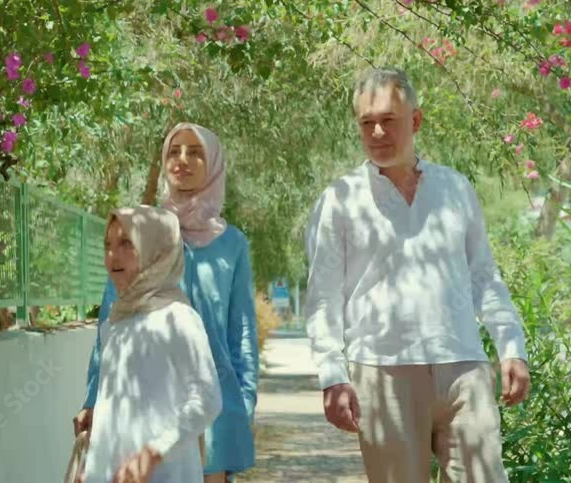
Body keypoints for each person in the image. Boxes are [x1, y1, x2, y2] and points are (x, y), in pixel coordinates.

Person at [303, 67, 531, 482]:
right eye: (367, 122)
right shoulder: (339, 199)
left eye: (388, 120)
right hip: (382, 372)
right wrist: (332, 375)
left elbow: (483, 274)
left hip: (463, 366)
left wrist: (511, 346)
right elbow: (323, 297)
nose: (377, 132)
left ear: (416, 120)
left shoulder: (455, 188)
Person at [75, 123, 258, 483]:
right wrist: (92, 399)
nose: (182, 160)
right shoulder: (142, 233)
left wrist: (245, 405)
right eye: (174, 151)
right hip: (151, 411)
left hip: (214, 402)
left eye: (195, 152)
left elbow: (241, 332)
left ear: (214, 164)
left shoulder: (232, 244)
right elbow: (111, 323)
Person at [78, 206, 221, 483]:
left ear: (157, 252)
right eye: (107, 245)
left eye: (126, 243)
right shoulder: (115, 323)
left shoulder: (178, 318)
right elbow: (114, 411)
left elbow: (207, 399)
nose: (113, 256)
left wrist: (152, 454)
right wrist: (91, 468)